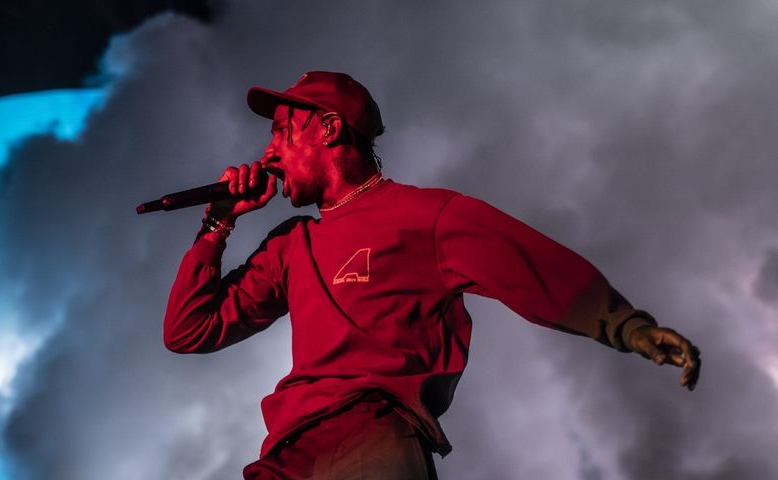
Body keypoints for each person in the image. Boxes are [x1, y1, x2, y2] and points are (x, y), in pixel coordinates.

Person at [163, 71, 701, 479]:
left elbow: (532, 265)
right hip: (286, 454)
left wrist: (627, 326)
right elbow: (189, 331)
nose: (269, 149)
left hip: (371, 440)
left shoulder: (426, 216)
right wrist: (218, 222)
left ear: (327, 128)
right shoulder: (291, 244)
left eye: (283, 130)